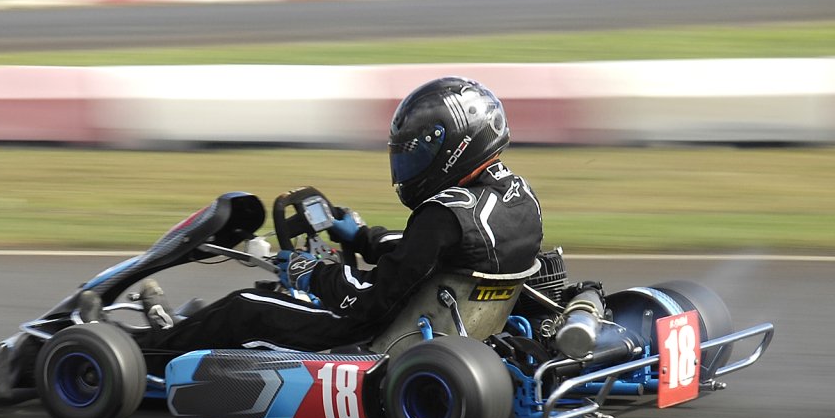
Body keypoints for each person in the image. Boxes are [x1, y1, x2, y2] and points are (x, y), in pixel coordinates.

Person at [133, 76, 544, 353]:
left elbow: (369, 301)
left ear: (454, 145)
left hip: (376, 338)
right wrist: (363, 238)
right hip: (459, 330)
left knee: (246, 306)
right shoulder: (515, 198)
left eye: (417, 150)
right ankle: (181, 332)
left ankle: (140, 355)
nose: (410, 162)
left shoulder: (442, 215)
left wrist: (312, 274)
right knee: (259, 302)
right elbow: (434, 255)